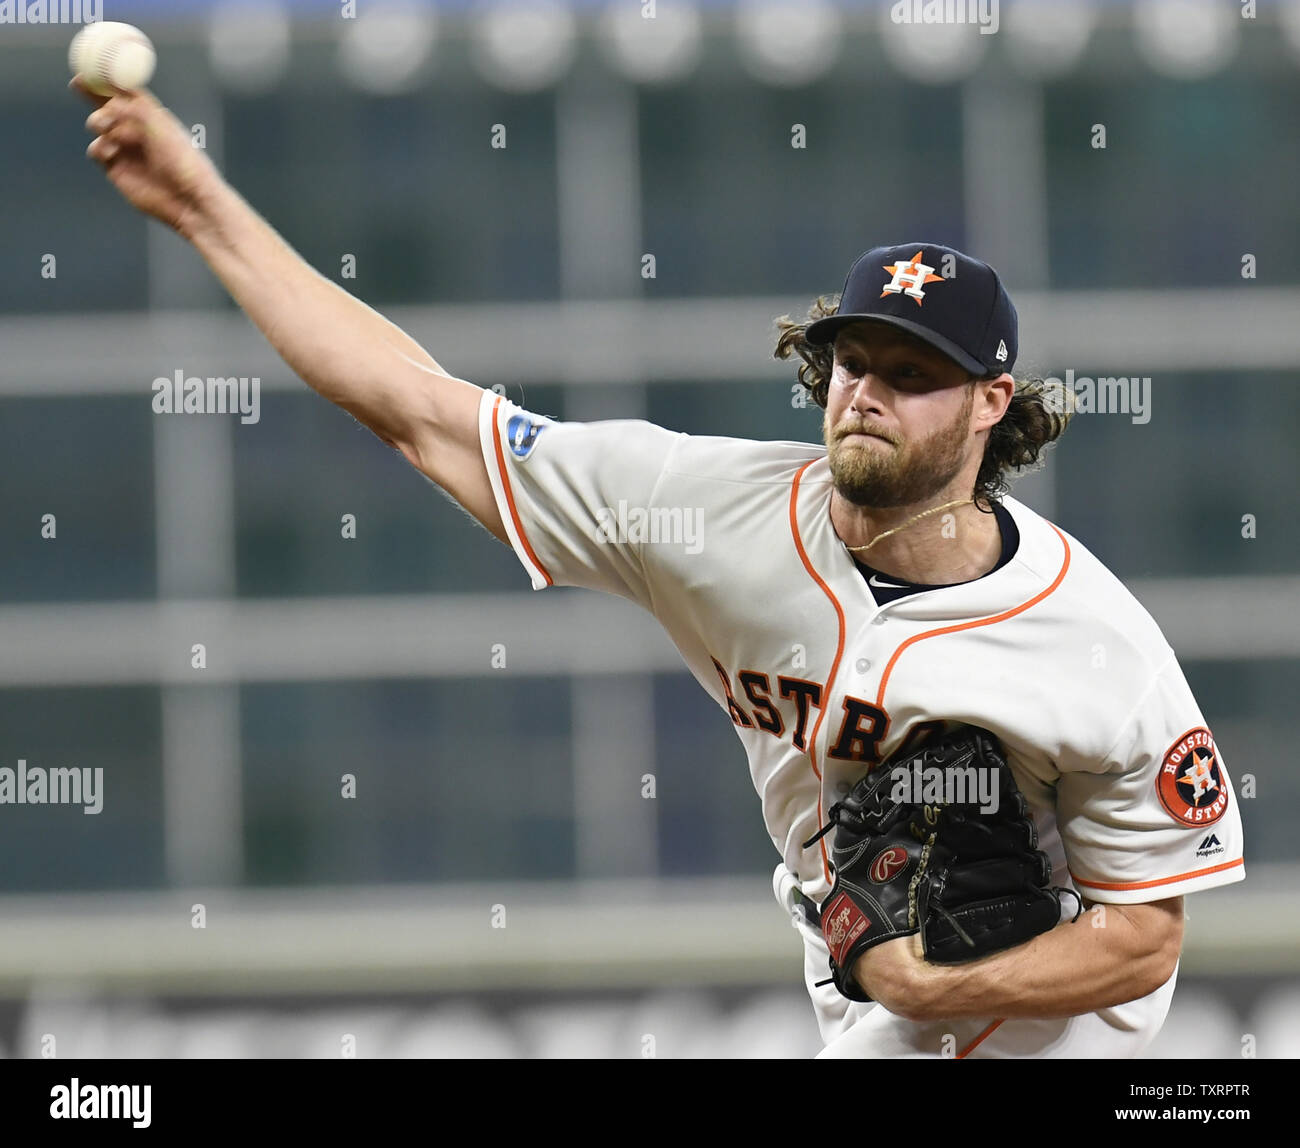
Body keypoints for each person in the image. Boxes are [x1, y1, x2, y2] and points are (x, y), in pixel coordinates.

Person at [78, 84, 1245, 1059]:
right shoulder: (703, 510)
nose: (868, 390)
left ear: (993, 404)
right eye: (852, 358)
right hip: (864, 1002)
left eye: (914, 370)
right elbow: (418, 411)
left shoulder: (1098, 645)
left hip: (1057, 1037)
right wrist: (199, 203)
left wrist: (930, 987)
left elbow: (1146, 938)